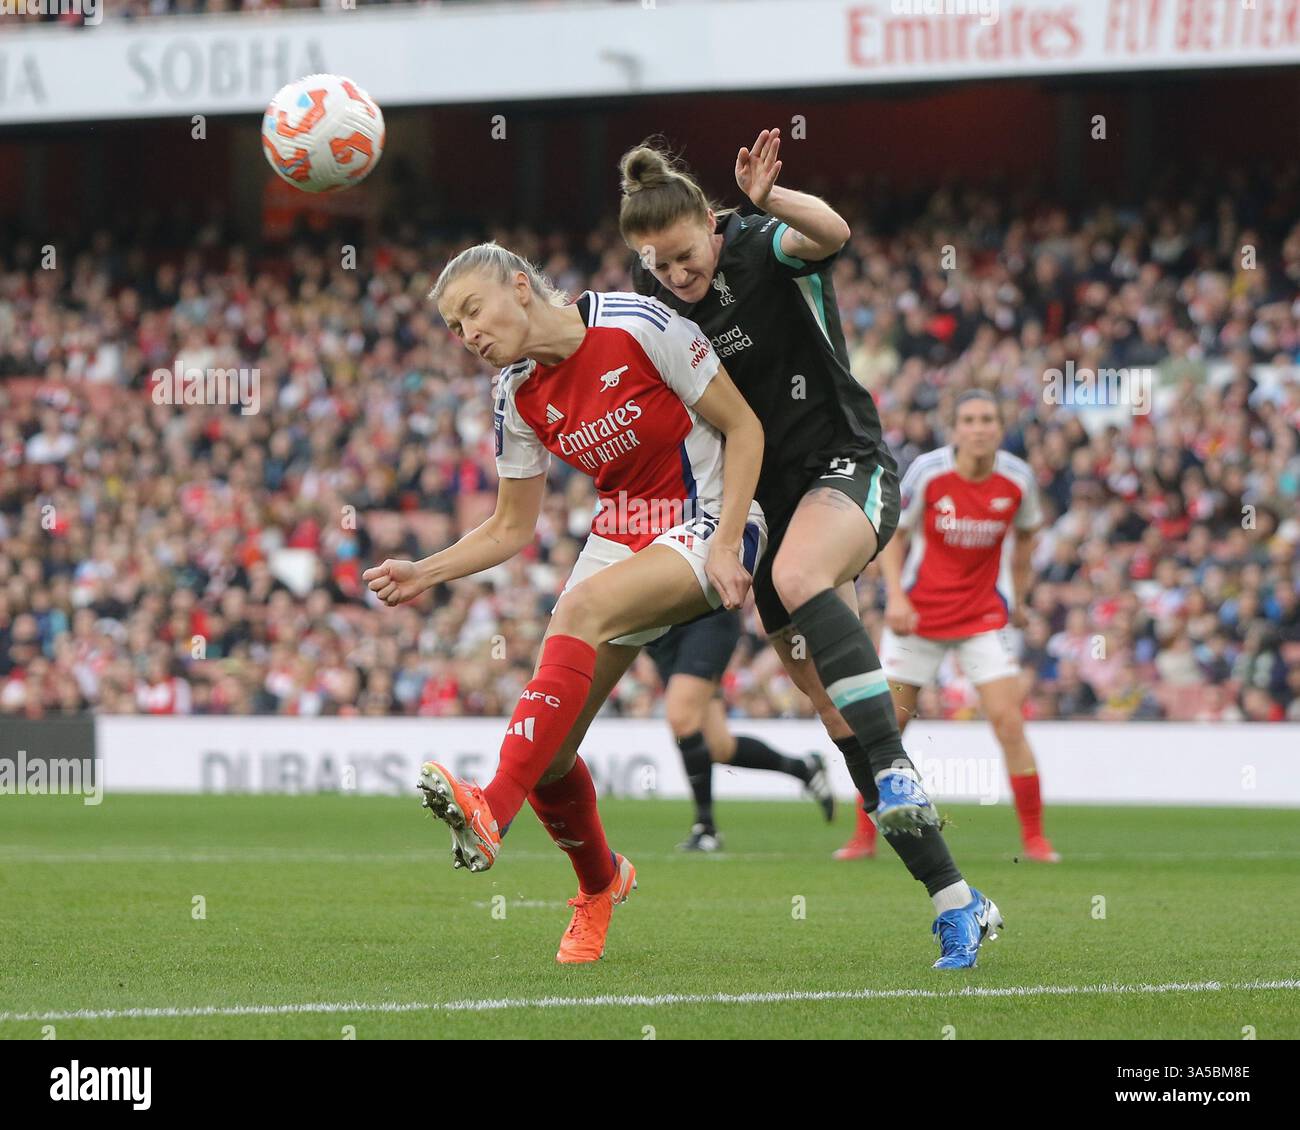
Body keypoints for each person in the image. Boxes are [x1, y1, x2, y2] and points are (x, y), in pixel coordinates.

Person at [621, 131, 1000, 968]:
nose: (677, 277)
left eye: (684, 257)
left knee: (798, 575)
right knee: (836, 716)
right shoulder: (662, 312)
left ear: (707, 225)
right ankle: (959, 900)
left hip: (846, 463)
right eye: (658, 268)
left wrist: (773, 200)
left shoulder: (758, 241)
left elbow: (831, 234)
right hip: (767, 503)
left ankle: (898, 769)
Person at [364, 242, 767, 964]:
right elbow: (511, 527)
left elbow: (745, 428)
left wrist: (729, 540)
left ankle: (489, 808)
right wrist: (427, 572)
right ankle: (600, 886)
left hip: (708, 515)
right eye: (456, 329)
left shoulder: (638, 324)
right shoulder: (515, 394)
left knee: (577, 613)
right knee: (551, 758)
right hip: (623, 533)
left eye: (473, 312)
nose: (469, 335)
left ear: (520, 287)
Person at [834, 390, 1061, 863]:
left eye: (988, 419)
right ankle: (863, 838)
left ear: (1000, 427)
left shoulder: (1018, 480)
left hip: (983, 618)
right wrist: (896, 596)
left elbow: (1024, 540)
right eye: (970, 419)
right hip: (918, 616)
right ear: (955, 428)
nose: (979, 427)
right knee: (886, 727)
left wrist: (1017, 599)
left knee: (1009, 722)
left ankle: (1035, 840)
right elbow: (896, 534)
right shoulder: (929, 473)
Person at [644, 608, 835, 852]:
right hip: (660, 627)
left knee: (682, 718)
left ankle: (706, 828)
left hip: (703, 616)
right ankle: (804, 768)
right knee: (719, 746)